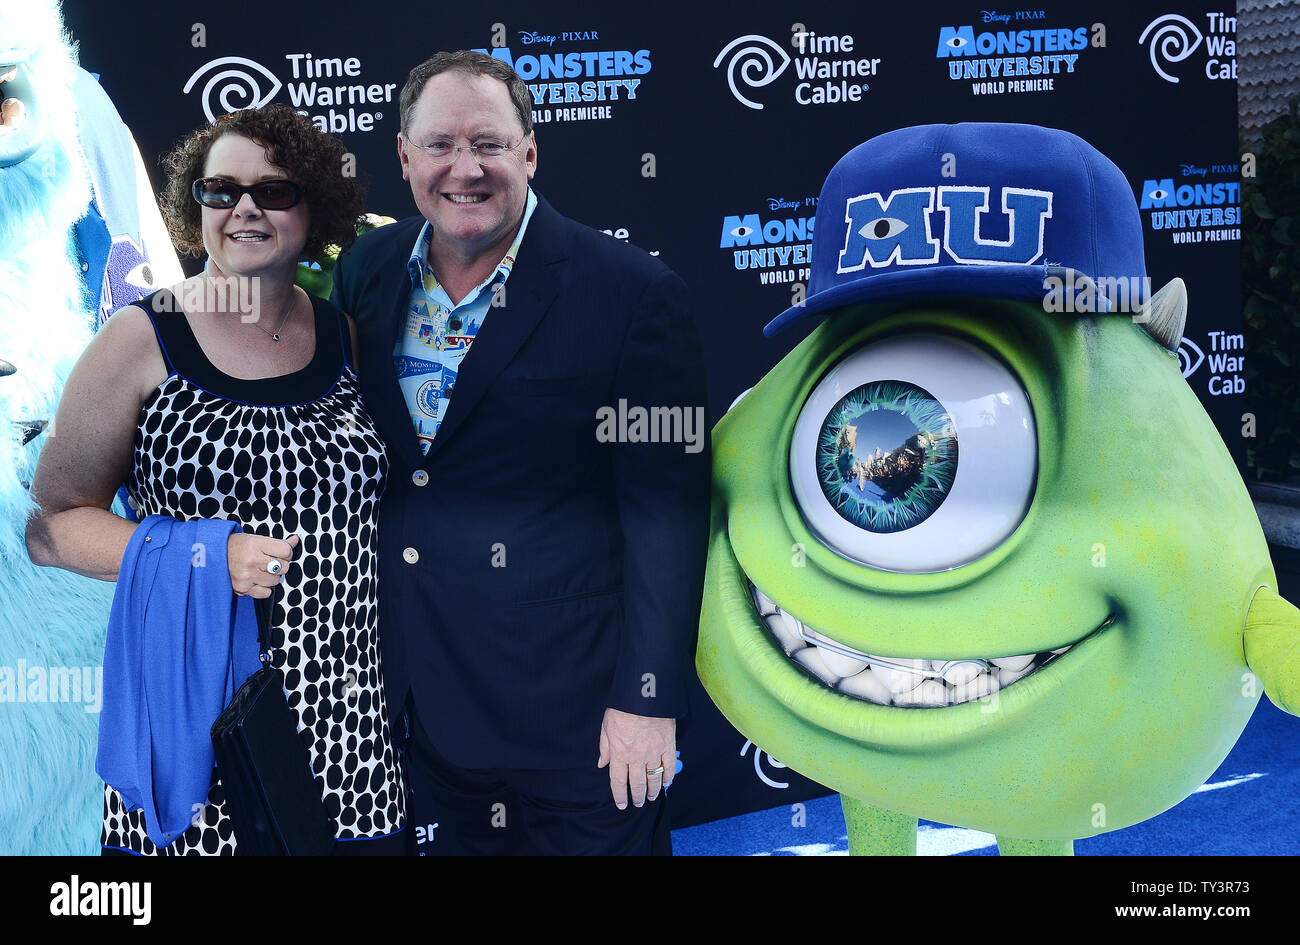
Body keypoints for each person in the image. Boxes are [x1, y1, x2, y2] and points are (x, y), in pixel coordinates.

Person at [330, 50, 710, 855]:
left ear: (529, 153)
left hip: (581, 723)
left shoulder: (633, 293)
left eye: (489, 144)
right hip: (427, 711)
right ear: (403, 157)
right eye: (439, 145)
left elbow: (667, 515)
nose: (464, 168)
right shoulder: (367, 271)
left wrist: (648, 697)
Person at [25, 104, 409, 855]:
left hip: (350, 724)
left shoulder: (343, 336)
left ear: (313, 207)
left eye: (273, 190)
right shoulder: (141, 339)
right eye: (220, 189)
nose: (244, 208)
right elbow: (51, 526)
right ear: (192, 204)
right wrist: (208, 552)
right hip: (197, 717)